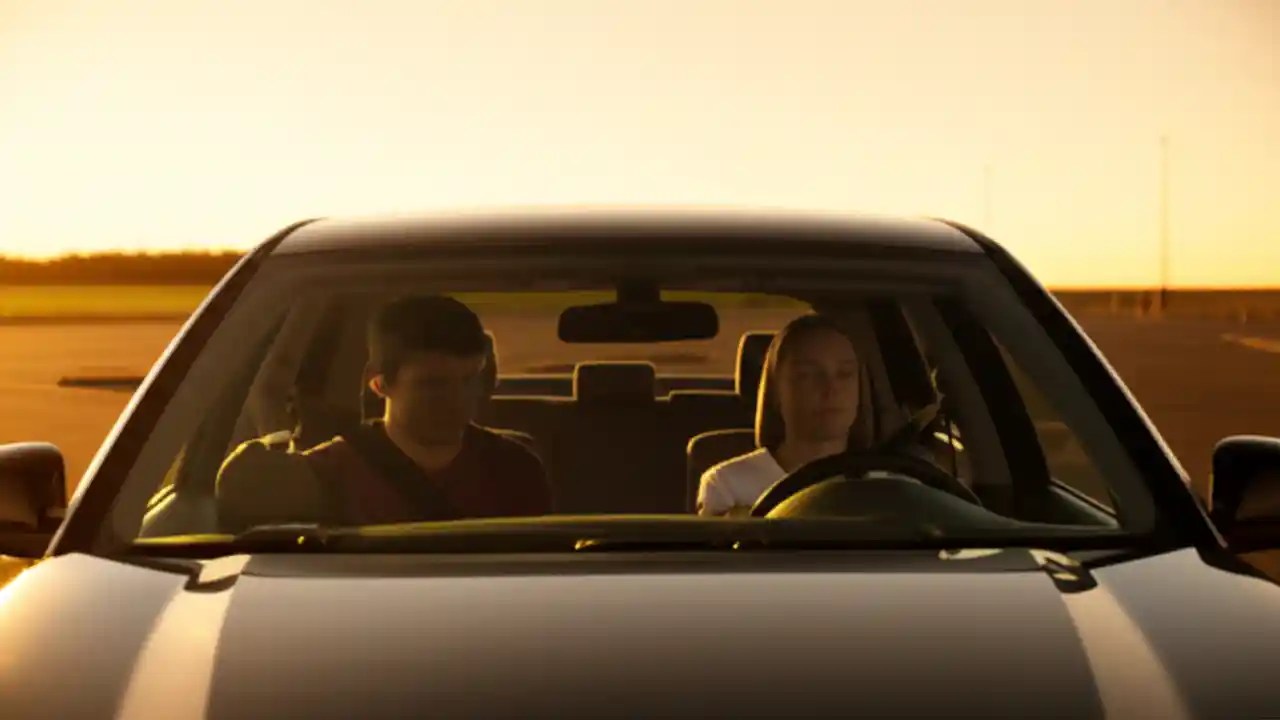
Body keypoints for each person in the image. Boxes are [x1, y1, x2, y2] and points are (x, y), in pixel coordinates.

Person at [217, 295, 552, 528]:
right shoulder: (324, 476)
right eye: (433, 385)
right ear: (380, 385)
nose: (459, 398)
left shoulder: (515, 470)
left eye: (469, 379)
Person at [697, 313, 868, 517]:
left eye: (845, 374)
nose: (830, 388)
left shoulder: (891, 485)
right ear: (776, 390)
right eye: (807, 375)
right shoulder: (729, 485)